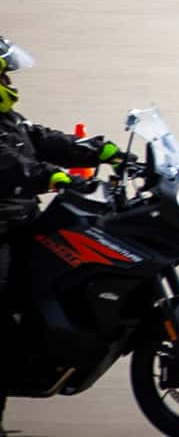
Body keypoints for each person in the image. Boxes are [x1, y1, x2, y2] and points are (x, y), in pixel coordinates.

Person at [1, 36, 118, 428]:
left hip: (22, 222)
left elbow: (38, 138)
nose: (10, 81)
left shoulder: (7, 118)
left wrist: (96, 150)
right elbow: (11, 167)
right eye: (4, 73)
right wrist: (49, 176)